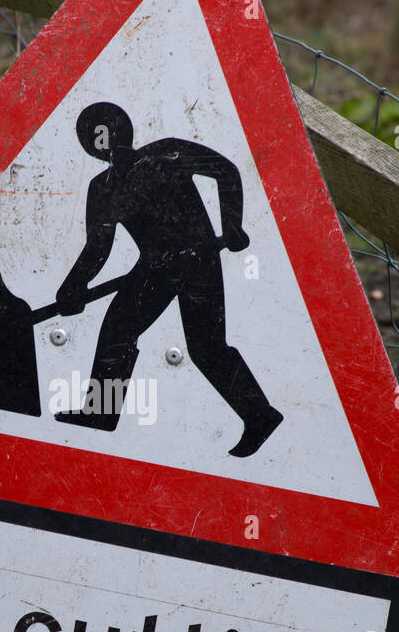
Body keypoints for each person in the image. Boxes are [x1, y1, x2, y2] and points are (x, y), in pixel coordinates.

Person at [54, 102, 283, 458]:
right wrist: (72, 286)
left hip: (198, 258)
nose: (107, 142)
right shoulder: (103, 188)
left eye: (110, 132)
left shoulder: (167, 152)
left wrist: (231, 224)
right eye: (98, 137)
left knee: (205, 347)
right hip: (155, 267)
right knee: (119, 331)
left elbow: (224, 170)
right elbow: (98, 247)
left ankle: (260, 415)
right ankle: (101, 412)